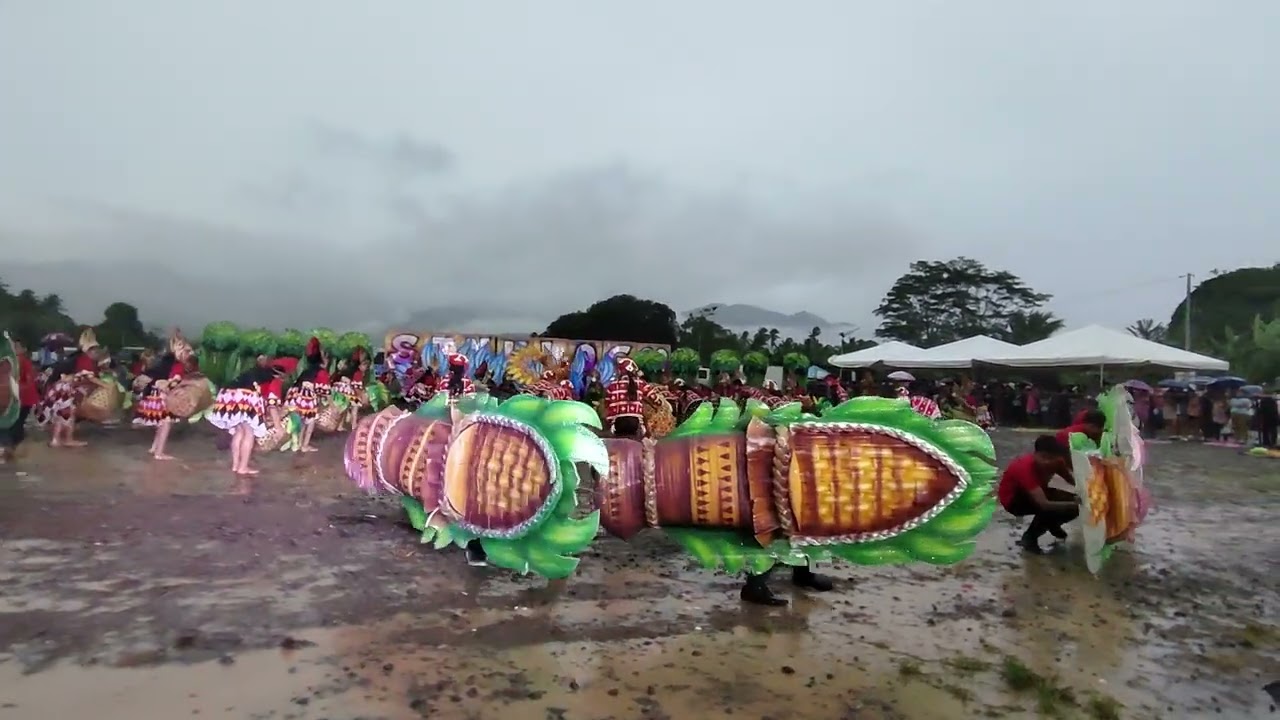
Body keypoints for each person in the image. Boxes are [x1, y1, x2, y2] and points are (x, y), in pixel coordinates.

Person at [998, 436, 1080, 553]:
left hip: (1037, 491)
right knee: (1051, 509)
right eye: (1044, 457)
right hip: (1013, 500)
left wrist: (1085, 491)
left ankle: (1052, 524)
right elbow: (1044, 504)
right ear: (1035, 454)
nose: (1047, 462)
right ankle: (1030, 538)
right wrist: (1074, 504)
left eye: (1052, 458)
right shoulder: (1024, 467)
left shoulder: (1058, 462)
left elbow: (1072, 481)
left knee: (1073, 507)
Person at [207, 361, 286, 474]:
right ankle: (243, 467)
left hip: (227, 394)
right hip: (245, 397)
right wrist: (278, 427)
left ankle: (235, 465)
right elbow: (272, 405)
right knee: (249, 432)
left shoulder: (256, 373)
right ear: (280, 376)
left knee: (239, 431)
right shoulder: (274, 381)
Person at [132, 331, 195, 460]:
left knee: (161, 424)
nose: (190, 354)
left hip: (153, 398)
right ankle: (159, 453)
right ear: (180, 351)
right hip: (163, 398)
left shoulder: (165, 362)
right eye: (187, 352)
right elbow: (173, 381)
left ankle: (154, 447)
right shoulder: (177, 365)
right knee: (166, 424)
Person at [1, 336, 38, 463]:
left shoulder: (20, 361)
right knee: (16, 424)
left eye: (17, 347)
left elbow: (27, 381)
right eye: (13, 346)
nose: (14, 349)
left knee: (14, 424)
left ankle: (9, 449)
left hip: (21, 398)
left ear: (24, 349)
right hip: (23, 398)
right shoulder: (17, 361)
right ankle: (11, 450)